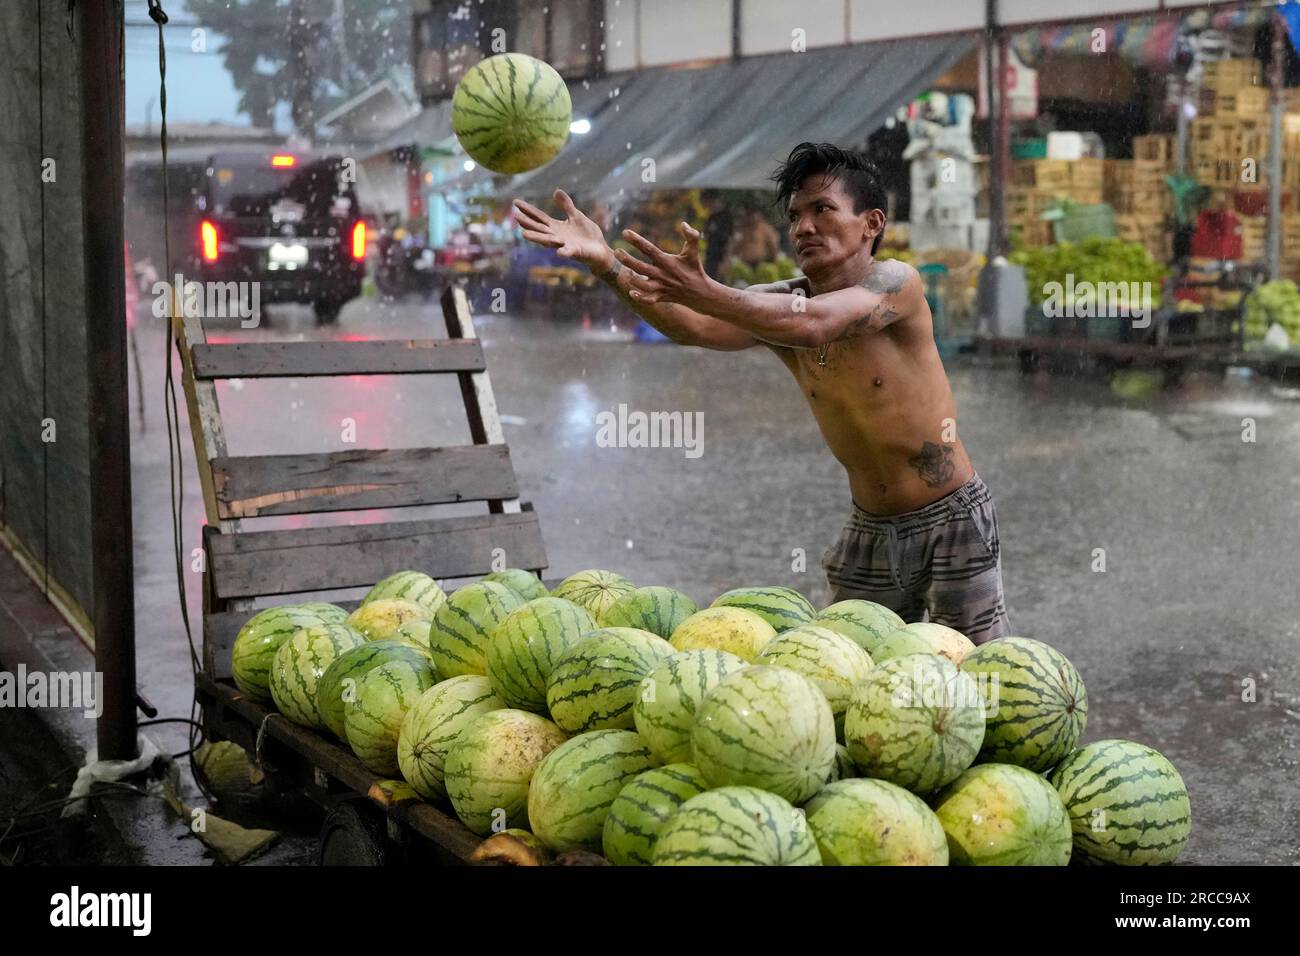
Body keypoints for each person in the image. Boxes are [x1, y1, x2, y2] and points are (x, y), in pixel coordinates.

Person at [511, 142, 1010, 642]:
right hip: (870, 529)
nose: (804, 227)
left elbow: (816, 325)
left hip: (951, 517)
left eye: (823, 209)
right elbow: (696, 328)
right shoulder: (781, 303)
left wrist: (707, 291)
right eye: (794, 215)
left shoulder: (897, 284)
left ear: (872, 223)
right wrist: (608, 267)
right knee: (854, 675)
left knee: (975, 675)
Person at [698, 189, 735, 280]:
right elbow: (706, 237)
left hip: (721, 258)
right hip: (710, 258)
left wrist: (725, 261)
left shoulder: (726, 217)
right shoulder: (711, 217)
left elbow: (730, 240)